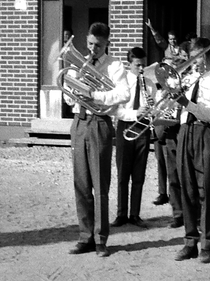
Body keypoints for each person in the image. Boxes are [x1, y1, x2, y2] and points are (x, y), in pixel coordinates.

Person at [57, 22, 131, 257]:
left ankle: (100, 240)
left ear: (107, 43)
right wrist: (75, 89)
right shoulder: (77, 66)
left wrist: (94, 94)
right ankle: (84, 237)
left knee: (100, 184)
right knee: (81, 183)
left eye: (97, 45)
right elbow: (68, 98)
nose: (92, 50)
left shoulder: (115, 66)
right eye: (89, 44)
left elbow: (123, 94)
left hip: (100, 122)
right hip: (79, 123)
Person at [173, 37, 210, 263]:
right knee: (185, 188)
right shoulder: (188, 78)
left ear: (208, 57)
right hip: (184, 132)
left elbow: (207, 113)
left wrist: (184, 102)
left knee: (205, 189)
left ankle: (206, 245)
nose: (193, 63)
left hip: (205, 133)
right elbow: (176, 107)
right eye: (190, 58)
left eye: (197, 58)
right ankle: (189, 241)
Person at [113, 47, 150, 228]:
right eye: (137, 65)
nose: (141, 69)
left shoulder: (149, 83)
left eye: (143, 65)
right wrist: (136, 112)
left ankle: (134, 214)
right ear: (130, 64)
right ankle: (121, 214)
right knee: (123, 173)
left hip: (143, 129)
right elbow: (116, 110)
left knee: (138, 174)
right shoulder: (122, 81)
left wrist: (150, 110)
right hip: (125, 126)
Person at [146, 48, 184, 227]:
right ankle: (178, 214)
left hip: (183, 132)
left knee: (187, 176)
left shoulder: (186, 86)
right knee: (173, 175)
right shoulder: (162, 93)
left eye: (171, 74)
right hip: (169, 134)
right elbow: (157, 114)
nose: (167, 79)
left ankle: (192, 213)